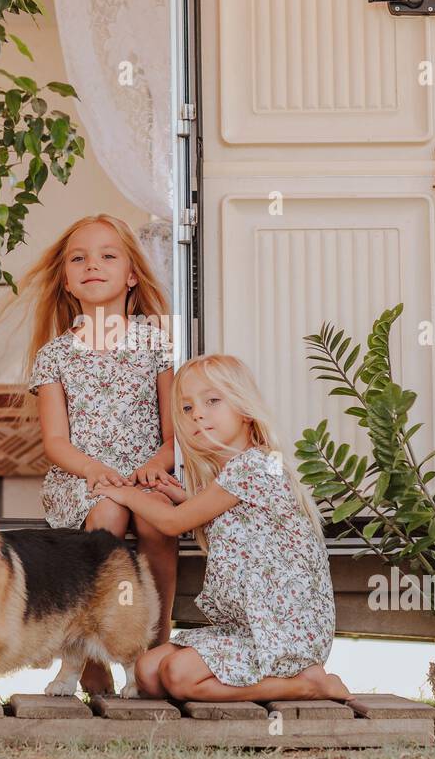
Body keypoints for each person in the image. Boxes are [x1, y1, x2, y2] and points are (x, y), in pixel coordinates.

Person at [91, 353, 350, 702]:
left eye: (212, 401)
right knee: (149, 672)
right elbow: (234, 520)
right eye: (187, 408)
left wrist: (123, 493)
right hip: (247, 628)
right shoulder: (235, 473)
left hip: (280, 631)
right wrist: (183, 496)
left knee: (179, 676)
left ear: (245, 409)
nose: (197, 413)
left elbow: (171, 523)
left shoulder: (256, 465)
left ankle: (309, 684)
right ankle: (284, 683)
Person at [22, 213, 180, 694]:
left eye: (108, 256)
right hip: (83, 480)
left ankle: (154, 642)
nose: (93, 265)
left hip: (146, 474)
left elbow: (176, 434)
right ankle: (92, 646)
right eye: (79, 258)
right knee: (108, 515)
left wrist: (154, 465)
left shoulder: (156, 342)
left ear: (131, 274)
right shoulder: (55, 354)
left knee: (155, 521)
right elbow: (56, 443)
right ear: (67, 280)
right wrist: (97, 472)